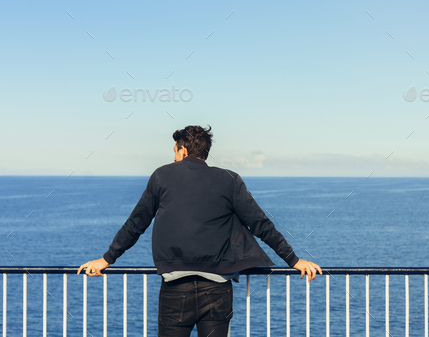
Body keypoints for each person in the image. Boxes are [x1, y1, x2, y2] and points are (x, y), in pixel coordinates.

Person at [77, 125, 322, 337]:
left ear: (183, 150)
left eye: (174, 151)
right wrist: (293, 260)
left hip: (175, 288)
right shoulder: (229, 179)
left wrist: (107, 259)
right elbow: (260, 223)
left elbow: (136, 223)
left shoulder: (161, 176)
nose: (173, 158)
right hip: (217, 289)